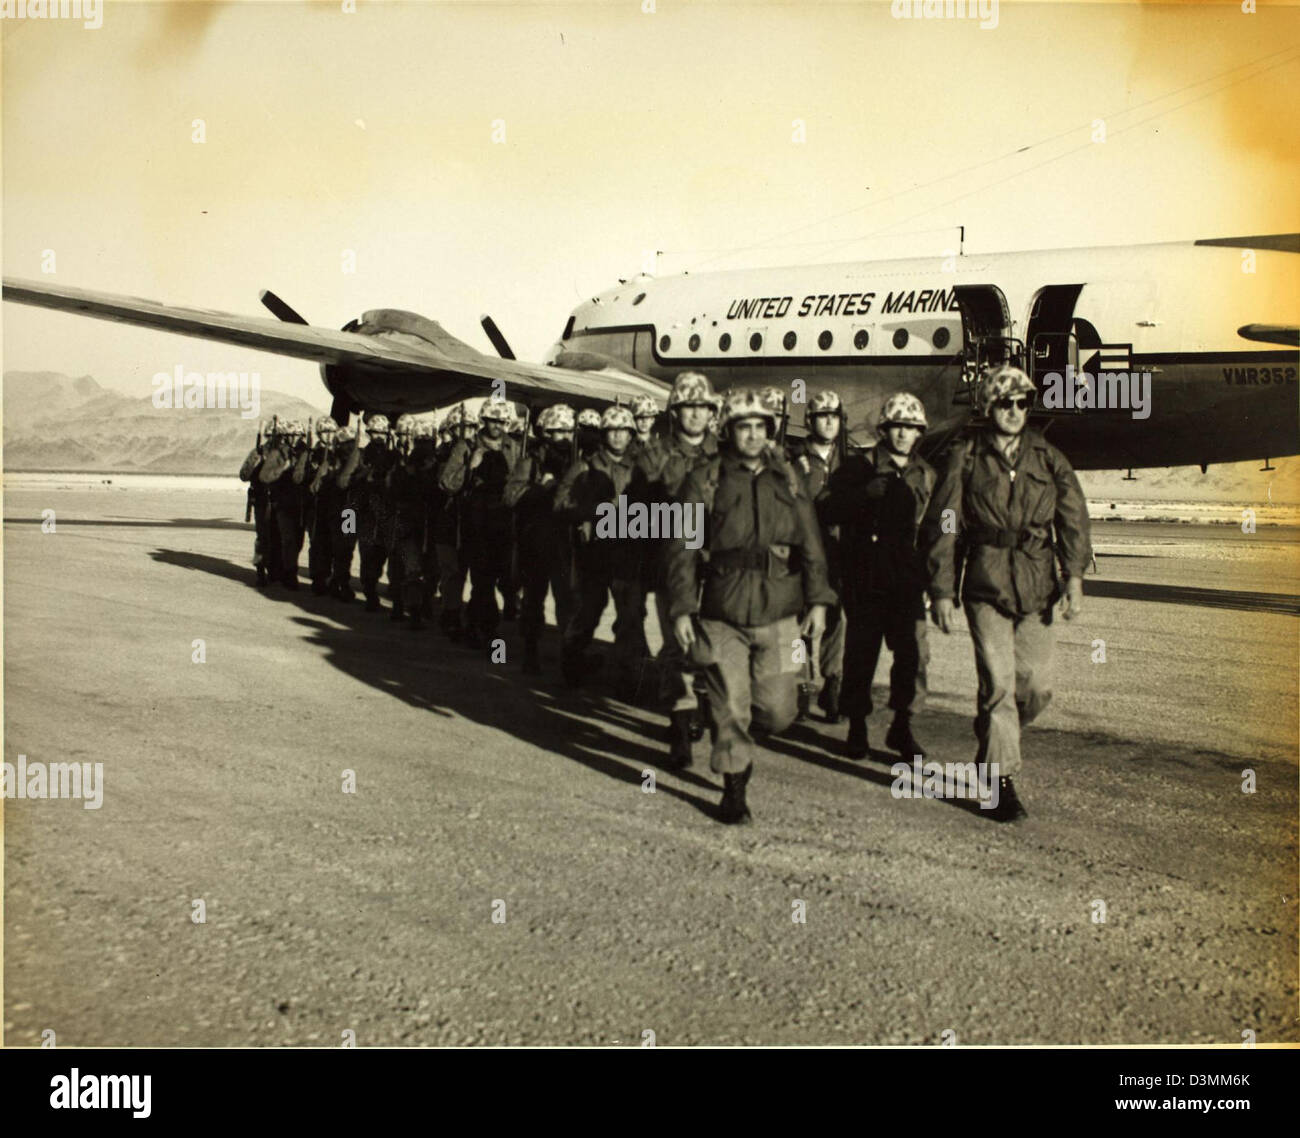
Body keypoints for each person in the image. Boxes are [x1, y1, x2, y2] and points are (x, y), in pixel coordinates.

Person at [922, 365, 1091, 822]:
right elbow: (946, 524)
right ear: (988, 406)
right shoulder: (966, 457)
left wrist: (1073, 576)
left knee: (1036, 689)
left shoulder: (1047, 456)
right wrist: (941, 590)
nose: (1014, 411)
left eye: (1021, 403)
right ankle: (999, 784)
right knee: (997, 687)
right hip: (985, 585)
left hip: (1038, 587)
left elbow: (1073, 515)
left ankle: (994, 736)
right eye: (1004, 403)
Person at [667, 388, 835, 824]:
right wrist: (683, 607)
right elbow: (682, 547)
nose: (754, 435)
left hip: (780, 610)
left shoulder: (790, 480)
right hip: (722, 611)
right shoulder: (704, 479)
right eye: (745, 427)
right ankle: (734, 786)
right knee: (731, 707)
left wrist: (818, 600)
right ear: (727, 431)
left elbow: (812, 544)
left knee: (780, 711)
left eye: (761, 427)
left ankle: (739, 738)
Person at [821, 392, 936, 762]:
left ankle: (902, 724)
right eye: (897, 427)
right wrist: (862, 495)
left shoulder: (928, 475)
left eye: (911, 428)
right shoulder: (859, 467)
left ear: (920, 432)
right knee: (861, 655)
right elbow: (825, 508)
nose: (903, 434)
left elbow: (936, 528)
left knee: (914, 655)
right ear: (885, 429)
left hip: (907, 579)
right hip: (867, 576)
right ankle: (857, 724)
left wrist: (935, 581)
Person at [638, 371, 719, 767]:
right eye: (688, 407)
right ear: (676, 411)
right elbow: (639, 514)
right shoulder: (654, 456)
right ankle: (680, 719)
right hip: (671, 563)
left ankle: (700, 704)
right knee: (675, 644)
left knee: (709, 644)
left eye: (702, 407)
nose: (695, 415)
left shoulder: (725, 454)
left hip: (716, 567)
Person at [554, 403, 650, 696]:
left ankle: (628, 676)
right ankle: (572, 662)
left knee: (631, 615)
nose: (618, 436)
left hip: (627, 552)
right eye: (612, 430)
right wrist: (595, 509)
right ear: (604, 434)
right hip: (594, 552)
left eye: (624, 430)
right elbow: (560, 505)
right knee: (588, 612)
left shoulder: (640, 468)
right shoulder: (585, 466)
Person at [439, 397, 519, 649]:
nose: (496, 425)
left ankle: (476, 624)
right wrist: (469, 468)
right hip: (475, 521)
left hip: (504, 523)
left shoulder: (513, 447)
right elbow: (447, 483)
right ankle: (484, 628)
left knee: (500, 577)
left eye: (501, 421)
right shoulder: (467, 446)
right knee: (481, 579)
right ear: (484, 420)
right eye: (492, 420)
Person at [788, 389, 848, 723]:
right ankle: (800, 684)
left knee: (837, 618)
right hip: (801, 554)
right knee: (799, 621)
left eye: (834, 415)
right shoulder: (796, 463)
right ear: (810, 421)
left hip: (836, 552)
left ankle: (832, 682)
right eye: (823, 415)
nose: (829, 421)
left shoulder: (849, 462)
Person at [504, 403, 577, 673]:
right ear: (546, 433)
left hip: (565, 541)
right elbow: (510, 496)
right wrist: (541, 489)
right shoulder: (530, 463)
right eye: (558, 431)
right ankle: (531, 651)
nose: (565, 437)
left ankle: (570, 656)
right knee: (534, 599)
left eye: (569, 430)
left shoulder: (576, 463)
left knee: (568, 601)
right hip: (536, 539)